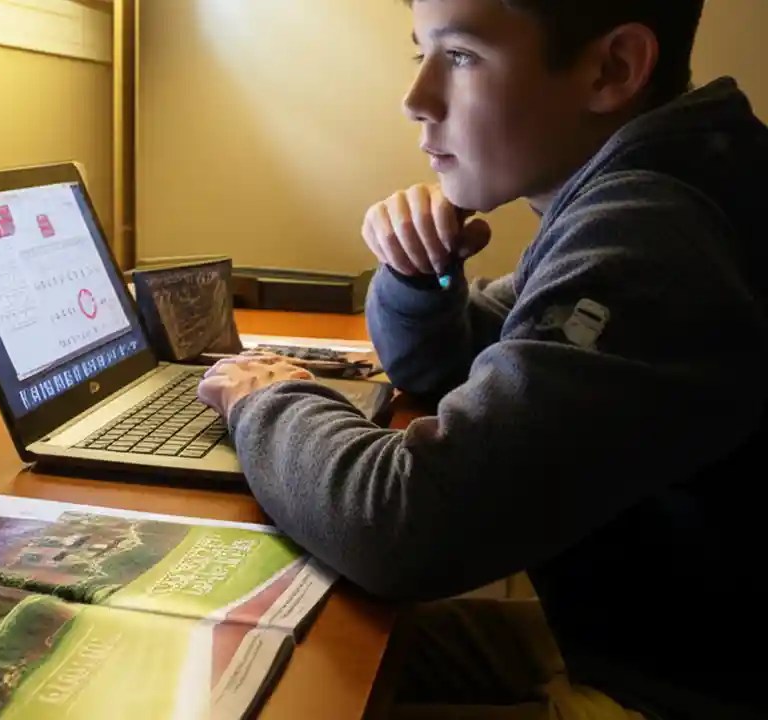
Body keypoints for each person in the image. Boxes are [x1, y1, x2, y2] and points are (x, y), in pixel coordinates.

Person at [196, 1, 767, 718]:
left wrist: (265, 398)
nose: (415, 99)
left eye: (461, 56)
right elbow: (458, 361)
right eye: (421, 54)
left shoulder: (651, 234)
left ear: (612, 68)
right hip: (659, 638)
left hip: (675, 691)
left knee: (275, 691)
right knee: (306, 647)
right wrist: (418, 276)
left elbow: (405, 529)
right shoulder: (662, 180)